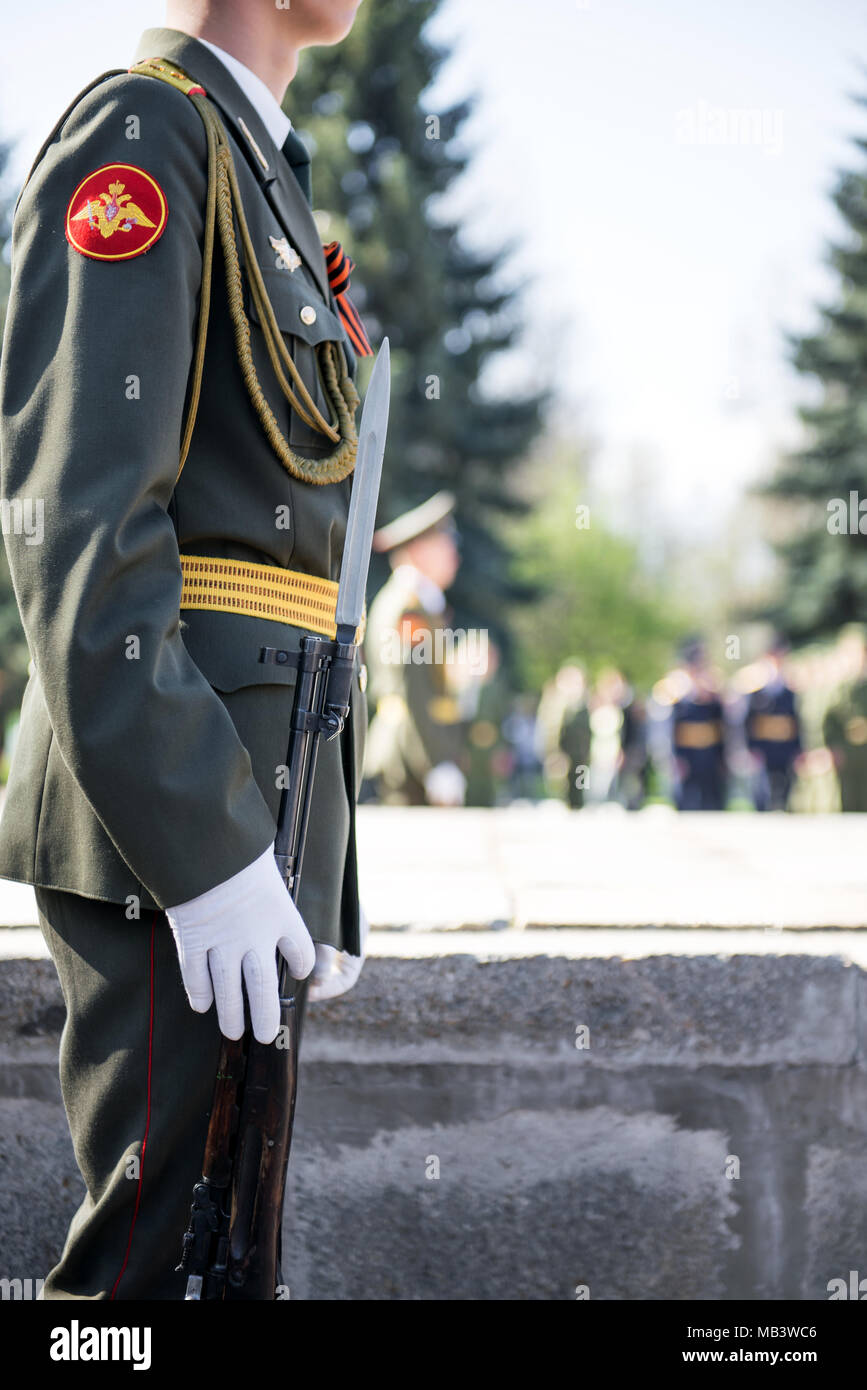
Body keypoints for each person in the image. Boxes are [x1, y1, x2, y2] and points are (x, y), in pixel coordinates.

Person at [0, 1, 371, 1299]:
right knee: (140, 1286)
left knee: (221, 1261)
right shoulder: (143, 132)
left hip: (250, 800)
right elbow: (82, 527)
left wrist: (318, 845)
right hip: (174, 813)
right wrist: (204, 851)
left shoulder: (251, 159)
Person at [362, 491, 469, 806]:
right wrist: (438, 764)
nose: (455, 556)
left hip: (413, 754)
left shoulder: (419, 603)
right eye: (446, 546)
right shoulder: (409, 606)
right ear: (419, 551)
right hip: (411, 758)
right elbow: (415, 688)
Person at [743, 636, 803, 812]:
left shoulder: (789, 687)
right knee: (763, 789)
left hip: (785, 744)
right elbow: (748, 721)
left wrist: (798, 747)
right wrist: (750, 747)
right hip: (764, 744)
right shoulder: (756, 686)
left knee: (785, 786)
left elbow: (796, 720)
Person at [669, 639, 727, 811]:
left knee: (712, 800)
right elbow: (672, 730)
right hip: (687, 753)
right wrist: (676, 757)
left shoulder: (713, 696)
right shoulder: (678, 694)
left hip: (709, 753)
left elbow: (720, 727)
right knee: (687, 800)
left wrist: (721, 756)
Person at [823, 637, 867, 812]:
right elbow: (830, 721)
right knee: (848, 800)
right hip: (848, 753)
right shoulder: (842, 689)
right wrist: (834, 748)